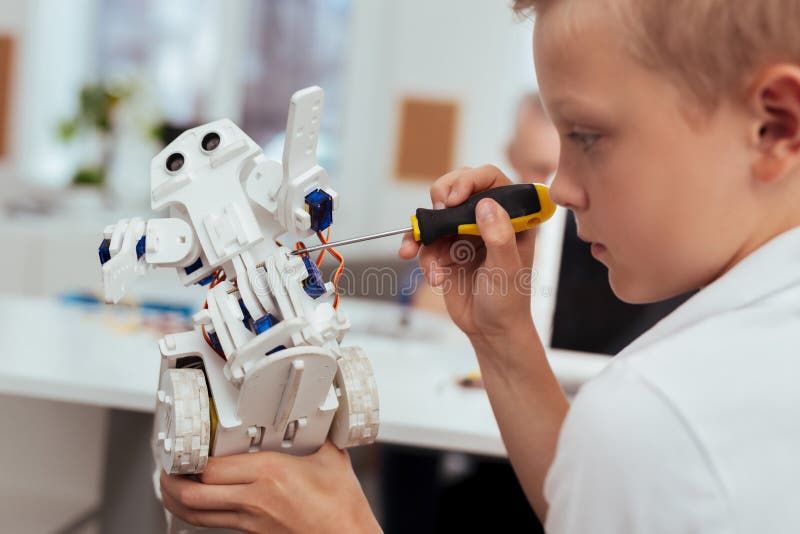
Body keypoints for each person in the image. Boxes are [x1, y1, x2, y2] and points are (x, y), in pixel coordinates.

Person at [160, 0, 800, 532]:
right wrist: (502, 335)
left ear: (775, 126)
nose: (560, 190)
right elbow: (597, 509)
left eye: (587, 137)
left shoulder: (658, 418)